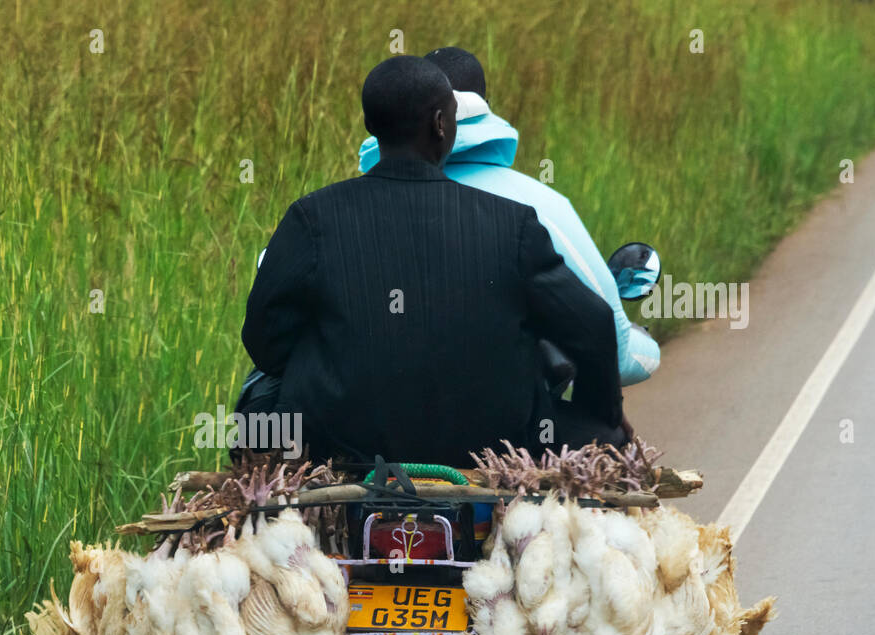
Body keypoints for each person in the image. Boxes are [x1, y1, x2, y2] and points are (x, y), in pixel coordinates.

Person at [239, 55, 626, 466]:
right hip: (495, 453)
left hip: (339, 453)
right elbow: (595, 327)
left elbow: (263, 342)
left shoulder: (310, 218)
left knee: (255, 416)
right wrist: (602, 417)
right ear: (441, 124)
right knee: (607, 435)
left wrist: (332, 369)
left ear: (372, 126)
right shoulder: (513, 225)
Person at [358, 46, 661, 386]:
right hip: (502, 425)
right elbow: (613, 349)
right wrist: (647, 348)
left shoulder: (345, 214)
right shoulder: (539, 206)